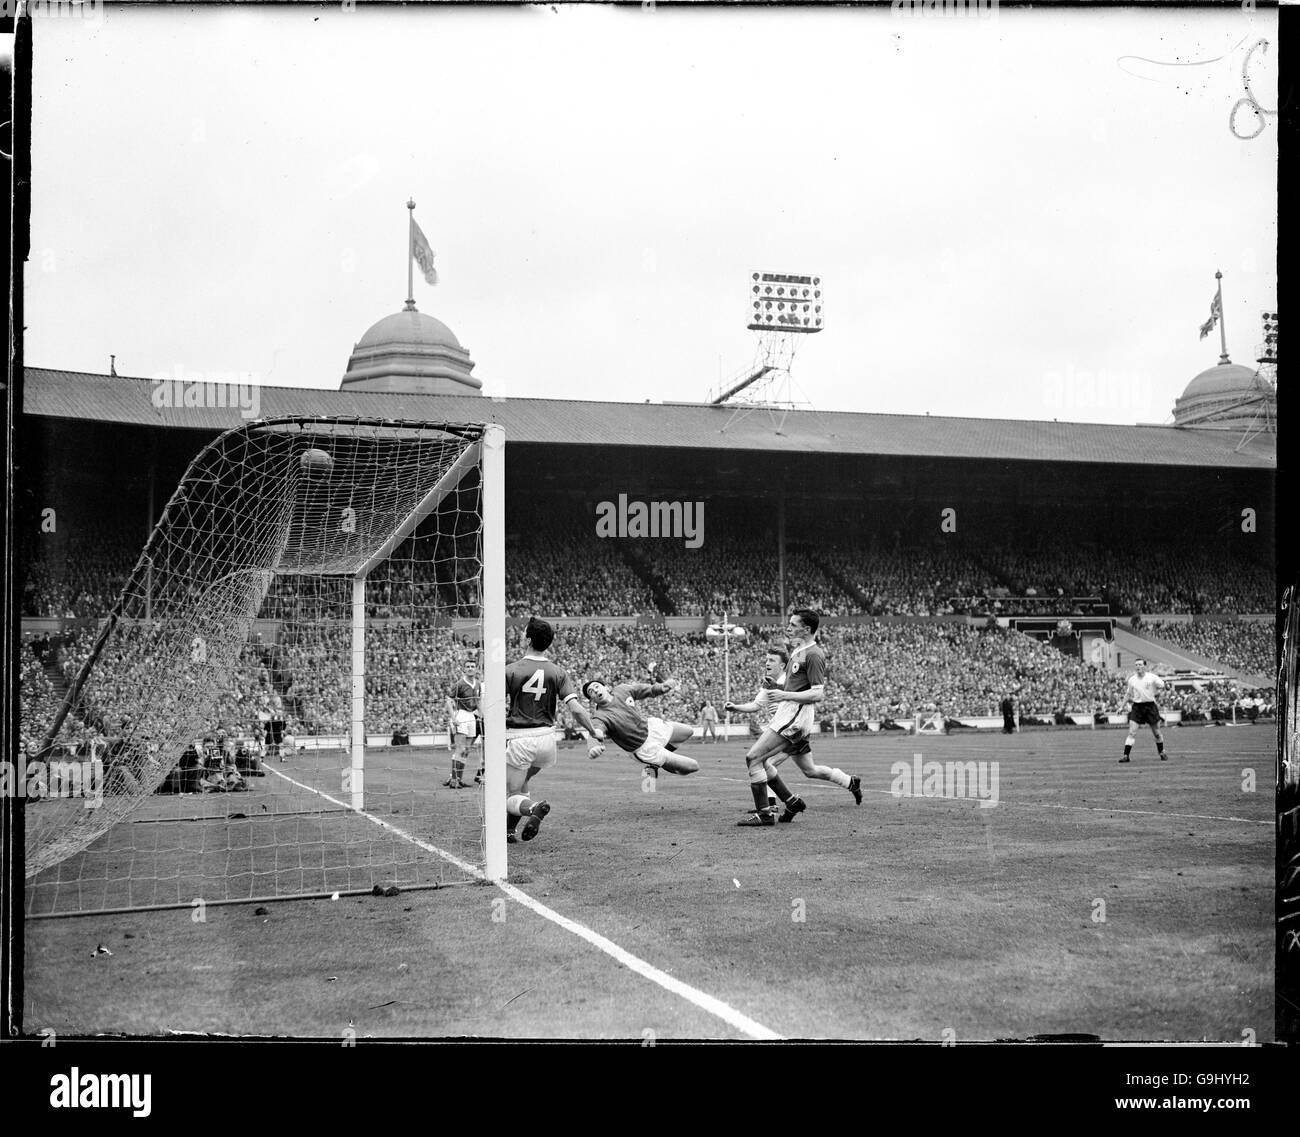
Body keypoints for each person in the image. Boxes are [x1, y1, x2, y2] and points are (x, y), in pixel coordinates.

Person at [726, 609, 860, 827]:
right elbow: (794, 686)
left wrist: (784, 694)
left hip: (795, 718)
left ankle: (766, 813)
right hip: (788, 715)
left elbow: (818, 693)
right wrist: (778, 688)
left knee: (754, 758)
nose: (788, 628)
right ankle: (791, 801)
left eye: (793, 624)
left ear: (806, 629)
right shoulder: (798, 650)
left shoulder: (814, 654)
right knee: (807, 769)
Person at [503, 617, 602, 843]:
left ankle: (534, 808)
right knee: (523, 783)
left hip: (520, 738)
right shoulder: (558, 672)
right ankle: (509, 831)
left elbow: (496, 707)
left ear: (528, 638)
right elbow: (576, 709)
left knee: (509, 794)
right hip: (547, 741)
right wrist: (593, 732)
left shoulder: (511, 670)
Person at [581, 678, 701, 777]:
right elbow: (595, 731)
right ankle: (658, 762)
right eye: (591, 692)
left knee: (688, 731)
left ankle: (654, 765)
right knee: (693, 766)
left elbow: (642, 689)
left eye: (596, 686)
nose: (595, 690)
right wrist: (593, 747)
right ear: (592, 700)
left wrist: (661, 687)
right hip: (644, 748)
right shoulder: (600, 716)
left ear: (606, 687)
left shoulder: (621, 690)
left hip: (652, 727)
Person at [1119, 657, 1168, 764]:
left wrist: (1162, 687)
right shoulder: (1132, 680)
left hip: (1150, 707)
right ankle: (1126, 756)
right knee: (1132, 732)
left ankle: (1161, 752)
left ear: (1145, 666)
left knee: (1157, 733)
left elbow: (1162, 685)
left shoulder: (1152, 677)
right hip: (1137, 707)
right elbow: (1128, 694)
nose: (1138, 667)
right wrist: (1121, 707)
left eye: (1140, 665)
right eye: (1136, 665)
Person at [444, 659, 481, 789]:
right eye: (468, 667)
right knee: (460, 748)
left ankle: (459, 779)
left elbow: (478, 702)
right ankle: (454, 780)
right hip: (462, 715)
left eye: (472, 666)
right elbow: (448, 700)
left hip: (472, 716)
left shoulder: (478, 684)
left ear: (476, 668)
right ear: (464, 669)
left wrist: (481, 716)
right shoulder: (459, 684)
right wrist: (453, 717)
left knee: (467, 750)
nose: (470, 668)